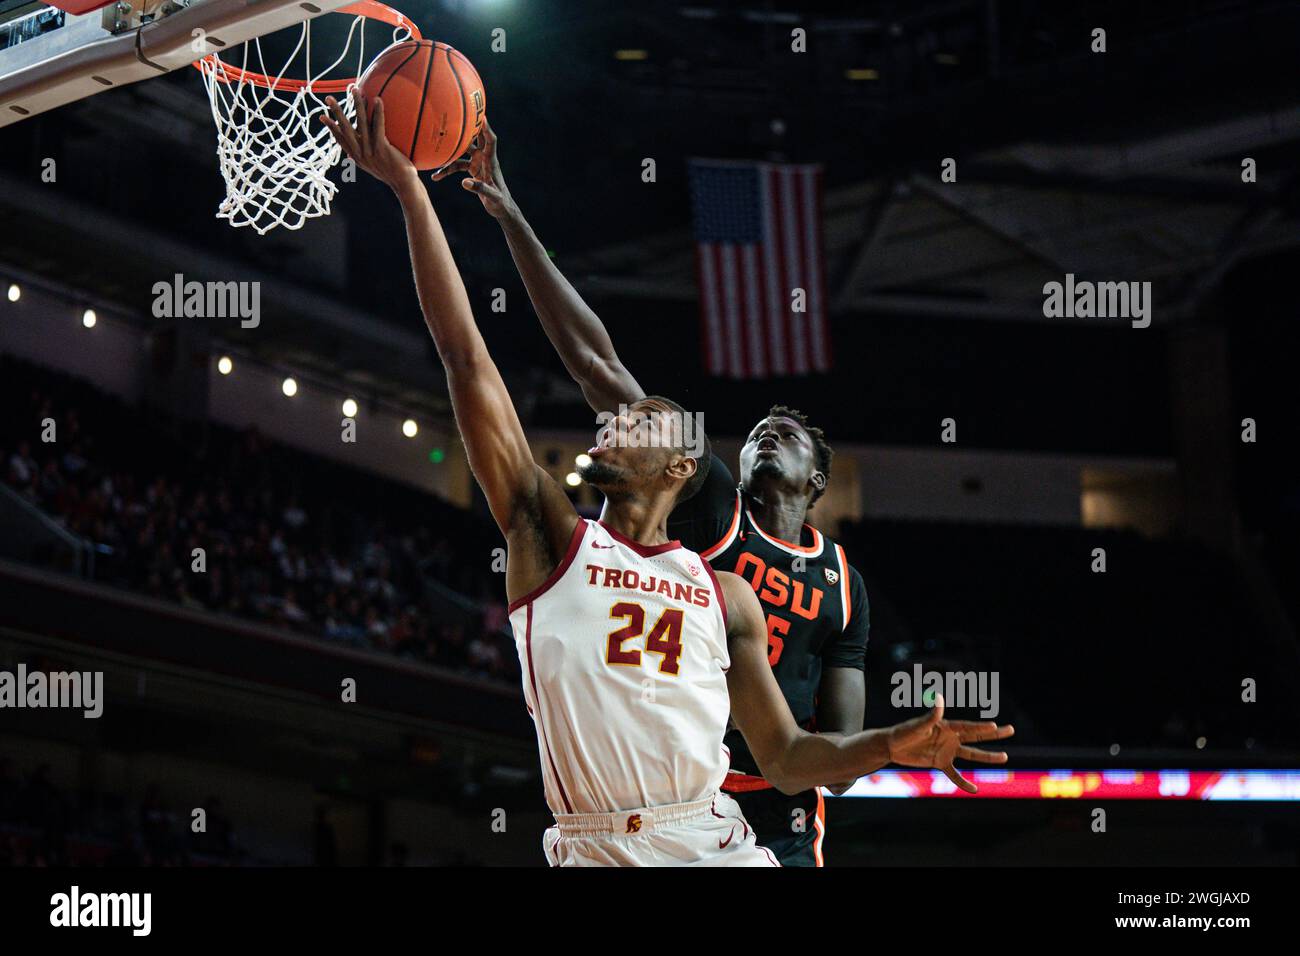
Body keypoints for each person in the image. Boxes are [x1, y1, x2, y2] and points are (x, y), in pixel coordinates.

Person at [323, 95, 1014, 867]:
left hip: (726, 832)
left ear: (682, 463)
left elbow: (789, 755)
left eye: (648, 418)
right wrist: (418, 195)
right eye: (624, 415)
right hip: (600, 845)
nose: (619, 416)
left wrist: (894, 742)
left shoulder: (751, 592)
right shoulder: (558, 536)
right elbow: (478, 359)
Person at [432, 120, 871, 865]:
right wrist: (514, 219)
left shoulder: (845, 586)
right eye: (759, 428)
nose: (767, 433)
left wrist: (885, 749)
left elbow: (840, 746)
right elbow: (594, 360)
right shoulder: (711, 501)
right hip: (672, 784)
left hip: (778, 803)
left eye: (788, 434)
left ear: (820, 481)